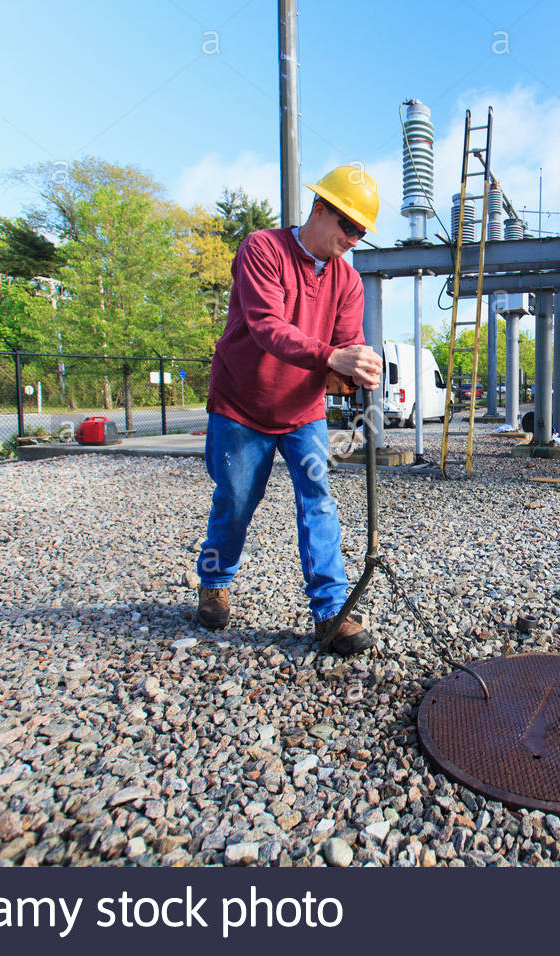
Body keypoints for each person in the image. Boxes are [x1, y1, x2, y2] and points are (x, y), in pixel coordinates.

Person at [194, 165, 383, 657]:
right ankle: (214, 580)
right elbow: (265, 326)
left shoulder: (348, 280)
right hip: (242, 402)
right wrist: (331, 358)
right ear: (319, 209)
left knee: (317, 496)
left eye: (361, 232)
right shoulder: (263, 249)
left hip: (302, 410)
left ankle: (331, 611)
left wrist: (356, 368)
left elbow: (346, 344)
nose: (353, 239)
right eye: (348, 226)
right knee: (236, 499)